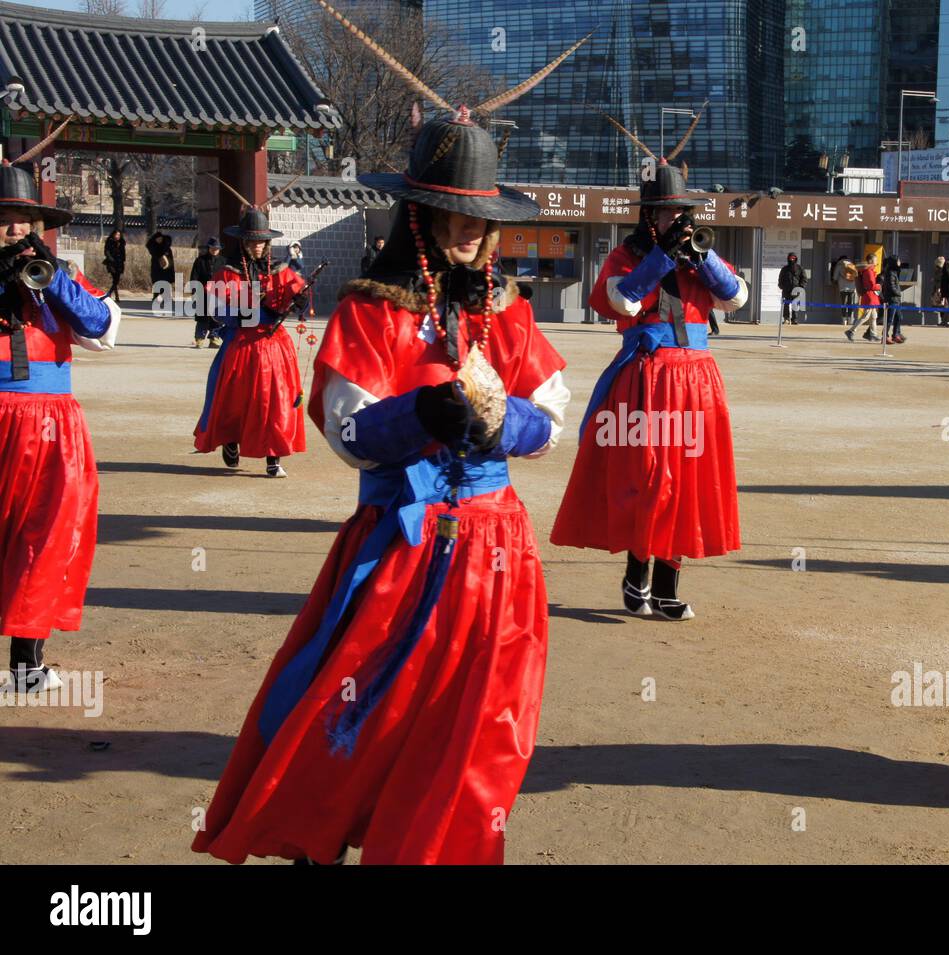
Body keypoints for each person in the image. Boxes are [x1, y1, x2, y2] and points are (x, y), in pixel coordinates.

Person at [192, 6, 580, 866]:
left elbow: (552, 418)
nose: (473, 235)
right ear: (419, 217)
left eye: (482, 221)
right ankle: (311, 839)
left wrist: (495, 417)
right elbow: (348, 433)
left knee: (471, 733)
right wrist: (423, 415)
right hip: (399, 549)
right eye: (455, 217)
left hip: (495, 555)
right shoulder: (372, 310)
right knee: (350, 713)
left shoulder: (507, 310)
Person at [550, 116, 746, 621]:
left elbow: (736, 298)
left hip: (697, 380)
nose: (675, 222)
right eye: (665, 214)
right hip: (647, 378)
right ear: (649, 217)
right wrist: (659, 259)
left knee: (687, 481)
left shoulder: (699, 256)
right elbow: (622, 304)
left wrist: (701, 260)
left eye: (680, 213)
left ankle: (665, 586)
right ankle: (637, 576)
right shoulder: (626, 256)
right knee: (649, 478)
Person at [0, 148, 120, 693]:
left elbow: (99, 326)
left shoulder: (60, 272)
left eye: (21, 220)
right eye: (2, 220)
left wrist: (50, 282)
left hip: (52, 421)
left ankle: (27, 663)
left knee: (46, 536)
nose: (13, 229)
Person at [193, 181, 308, 478]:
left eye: (261, 241)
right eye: (252, 241)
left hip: (275, 346)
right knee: (237, 401)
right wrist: (245, 310)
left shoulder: (281, 270)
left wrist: (299, 300)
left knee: (278, 401)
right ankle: (231, 441)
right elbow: (217, 312)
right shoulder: (227, 272)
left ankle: (274, 457)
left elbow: (299, 297)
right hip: (242, 345)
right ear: (242, 241)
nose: (257, 245)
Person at [189, 237, 225, 349]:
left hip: (218, 294)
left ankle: (214, 338)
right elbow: (194, 277)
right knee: (202, 318)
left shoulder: (223, 261)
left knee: (217, 318)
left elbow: (227, 278)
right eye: (213, 248)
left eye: (217, 248)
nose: (215, 250)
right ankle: (199, 339)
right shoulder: (200, 261)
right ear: (209, 248)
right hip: (202, 294)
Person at [846, 252, 880, 342]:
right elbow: (871, 286)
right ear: (871, 261)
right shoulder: (868, 271)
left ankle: (873, 334)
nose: (877, 262)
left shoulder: (869, 270)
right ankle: (851, 331)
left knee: (873, 316)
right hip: (869, 296)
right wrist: (879, 286)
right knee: (866, 316)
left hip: (869, 296)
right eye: (876, 260)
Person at [880, 254, 905, 344]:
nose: (899, 262)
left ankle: (896, 335)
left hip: (896, 299)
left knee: (899, 317)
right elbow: (891, 286)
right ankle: (885, 336)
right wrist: (898, 293)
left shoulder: (894, 271)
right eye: (898, 260)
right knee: (889, 319)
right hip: (892, 299)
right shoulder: (890, 273)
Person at [145, 229, 173, 308]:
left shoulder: (166, 247)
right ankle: (155, 297)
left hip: (166, 269)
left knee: (164, 284)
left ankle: (164, 299)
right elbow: (154, 256)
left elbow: (170, 261)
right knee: (157, 283)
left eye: (160, 239)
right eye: (157, 239)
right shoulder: (154, 248)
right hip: (156, 269)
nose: (159, 240)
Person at [778, 252, 806, 325]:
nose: (792, 259)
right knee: (786, 305)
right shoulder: (784, 269)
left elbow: (804, 278)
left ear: (796, 259)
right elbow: (780, 278)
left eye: (793, 258)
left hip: (796, 289)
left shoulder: (800, 268)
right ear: (788, 258)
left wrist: (801, 287)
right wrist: (781, 286)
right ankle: (786, 319)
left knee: (795, 305)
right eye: (791, 258)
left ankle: (794, 319)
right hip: (786, 289)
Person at [102, 229, 125, 302]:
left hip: (119, 263)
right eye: (116, 234)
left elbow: (123, 252)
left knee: (116, 280)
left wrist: (123, 259)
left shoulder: (122, 242)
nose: (117, 236)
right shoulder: (109, 242)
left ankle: (115, 296)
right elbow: (106, 252)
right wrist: (111, 259)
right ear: (113, 234)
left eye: (119, 235)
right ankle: (109, 294)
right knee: (115, 279)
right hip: (111, 263)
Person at [832, 255, 856, 324]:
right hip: (852, 287)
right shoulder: (852, 264)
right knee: (851, 304)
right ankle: (850, 320)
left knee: (844, 304)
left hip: (843, 287)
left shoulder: (839, 265)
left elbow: (835, 277)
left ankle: (844, 320)